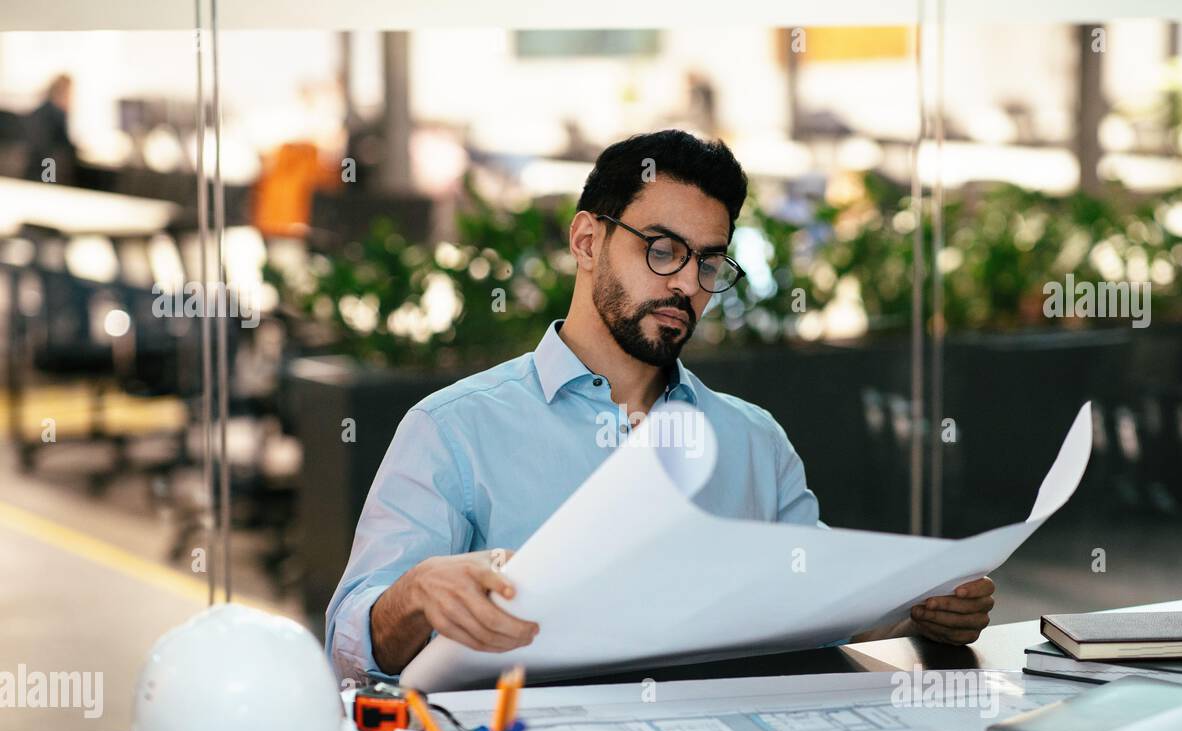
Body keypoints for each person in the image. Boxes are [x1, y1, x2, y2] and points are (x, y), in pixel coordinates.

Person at [325, 129, 995, 686]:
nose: (685, 284)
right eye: (663, 249)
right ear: (588, 241)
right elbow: (348, 646)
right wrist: (415, 595)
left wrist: (919, 609)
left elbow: (823, 605)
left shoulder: (753, 441)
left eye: (708, 263)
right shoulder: (454, 430)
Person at [23, 74, 74, 184]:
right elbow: (65, 145)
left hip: (34, 163)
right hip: (49, 162)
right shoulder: (58, 113)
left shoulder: (40, 109)